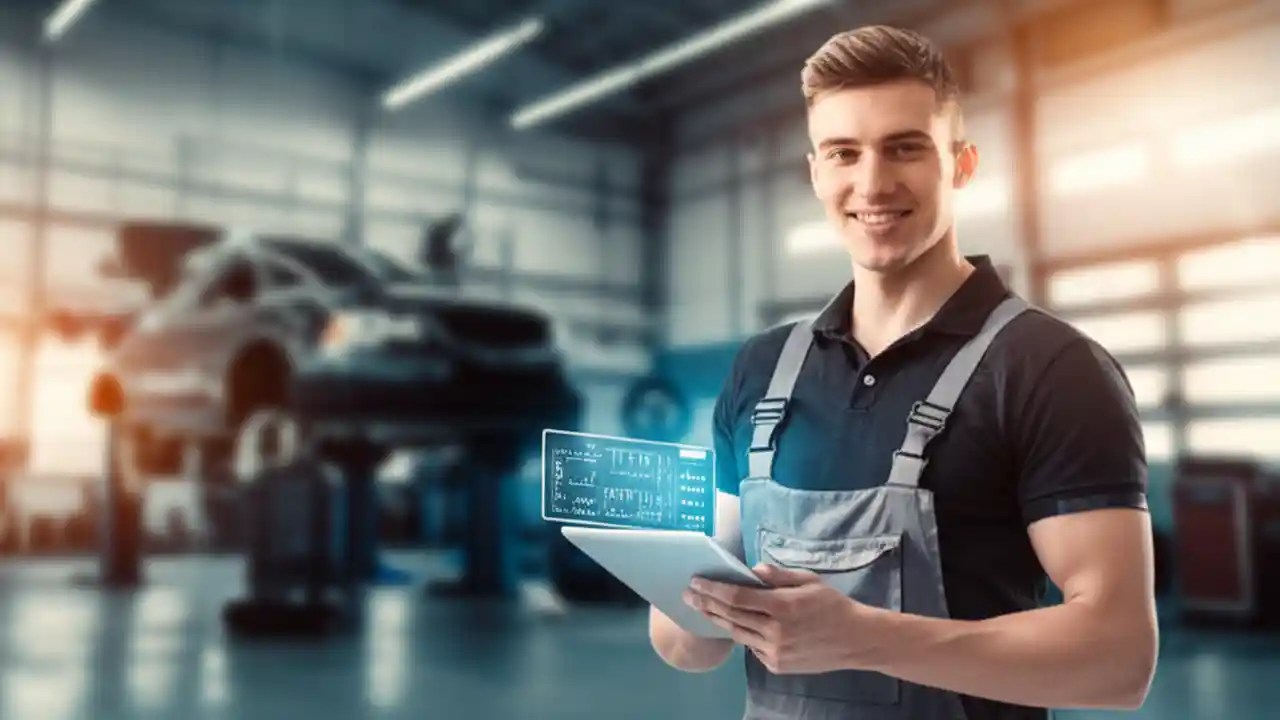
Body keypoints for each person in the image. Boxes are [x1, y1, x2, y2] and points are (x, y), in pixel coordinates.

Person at [648, 25, 1157, 720]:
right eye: (843, 153)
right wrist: (678, 593)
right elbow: (687, 644)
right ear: (816, 172)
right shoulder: (761, 371)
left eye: (905, 147)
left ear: (963, 164)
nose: (872, 183)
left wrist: (865, 637)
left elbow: (1117, 660)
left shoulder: (1051, 369)